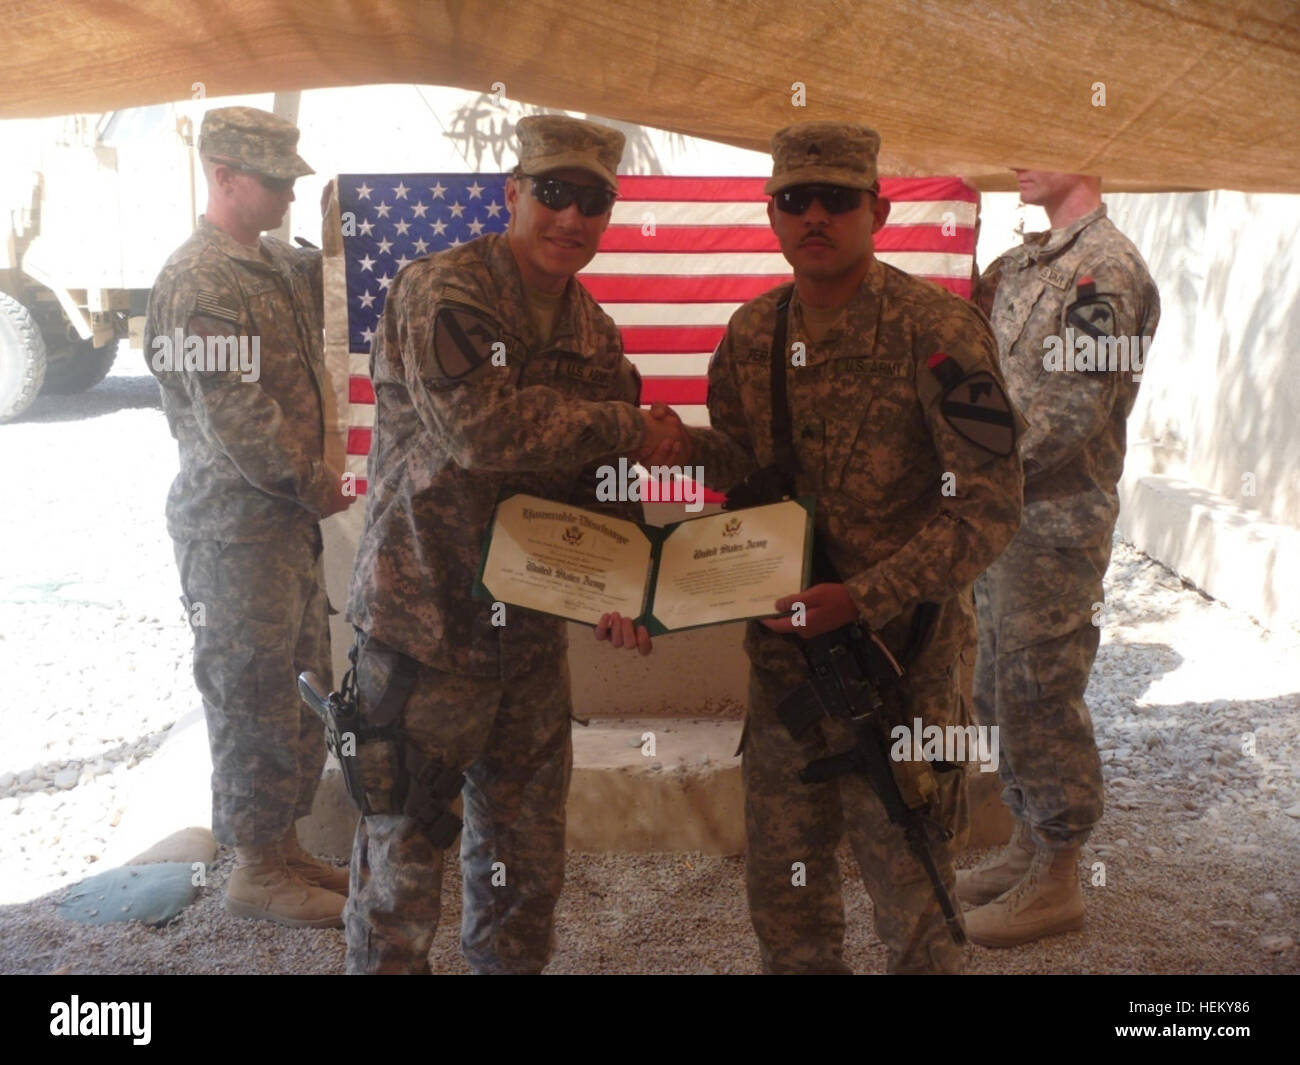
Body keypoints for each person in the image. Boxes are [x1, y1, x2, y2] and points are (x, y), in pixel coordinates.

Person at [604, 122, 1025, 973]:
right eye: (795, 200)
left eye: (837, 199)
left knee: (914, 899)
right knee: (786, 899)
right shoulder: (753, 333)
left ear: (878, 207)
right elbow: (746, 470)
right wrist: (681, 446)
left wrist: (863, 596)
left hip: (903, 667)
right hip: (789, 672)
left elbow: (988, 507)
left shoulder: (937, 335)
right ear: (772, 214)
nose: (816, 217)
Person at [343, 114, 685, 974]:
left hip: (527, 634)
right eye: (554, 193)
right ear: (513, 194)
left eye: (594, 201)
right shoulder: (444, 289)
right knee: (401, 872)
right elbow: (482, 432)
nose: (573, 218)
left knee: (525, 868)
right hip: (424, 626)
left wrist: (632, 581)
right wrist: (625, 423)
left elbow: (604, 472)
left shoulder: (594, 330)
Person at [144, 106, 355, 927]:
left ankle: (285, 844)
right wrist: (311, 481)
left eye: (291, 182)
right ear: (223, 176)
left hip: (279, 529)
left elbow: (326, 283)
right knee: (250, 693)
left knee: (302, 684)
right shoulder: (199, 281)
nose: (286, 197)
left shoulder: (265, 264)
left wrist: (344, 231)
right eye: (272, 182)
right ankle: (255, 870)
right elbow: (235, 417)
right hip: (235, 534)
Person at [960, 170, 1160, 947]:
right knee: (997, 687)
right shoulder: (1020, 265)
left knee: (1041, 688)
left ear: (1089, 151)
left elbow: (1073, 409)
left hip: (1054, 521)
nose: (1017, 160)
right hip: (1000, 515)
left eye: (1037, 137)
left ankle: (1059, 876)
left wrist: (972, 470)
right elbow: (964, 347)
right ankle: (1025, 842)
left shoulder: (1102, 269)